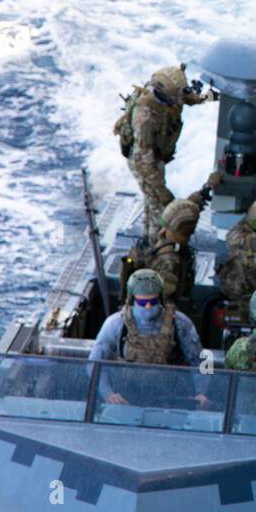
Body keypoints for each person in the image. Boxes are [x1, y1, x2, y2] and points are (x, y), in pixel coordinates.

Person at [113, 64, 217, 244]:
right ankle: (156, 245)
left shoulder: (169, 92)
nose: (179, 101)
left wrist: (208, 97)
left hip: (154, 154)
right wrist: (165, 196)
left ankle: (151, 236)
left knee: (153, 201)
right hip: (143, 159)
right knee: (159, 206)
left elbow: (188, 98)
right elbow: (145, 163)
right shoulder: (145, 119)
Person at [126, 171, 222, 308]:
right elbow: (163, 302)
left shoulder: (162, 231)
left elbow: (186, 210)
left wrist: (207, 188)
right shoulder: (170, 263)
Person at [90, 268, 203, 368]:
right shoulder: (115, 324)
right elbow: (94, 364)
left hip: (169, 389)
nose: (148, 306)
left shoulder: (180, 323)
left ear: (161, 298)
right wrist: (108, 392)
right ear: (132, 299)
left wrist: (202, 391)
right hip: (125, 389)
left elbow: (202, 361)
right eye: (142, 302)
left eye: (153, 301)